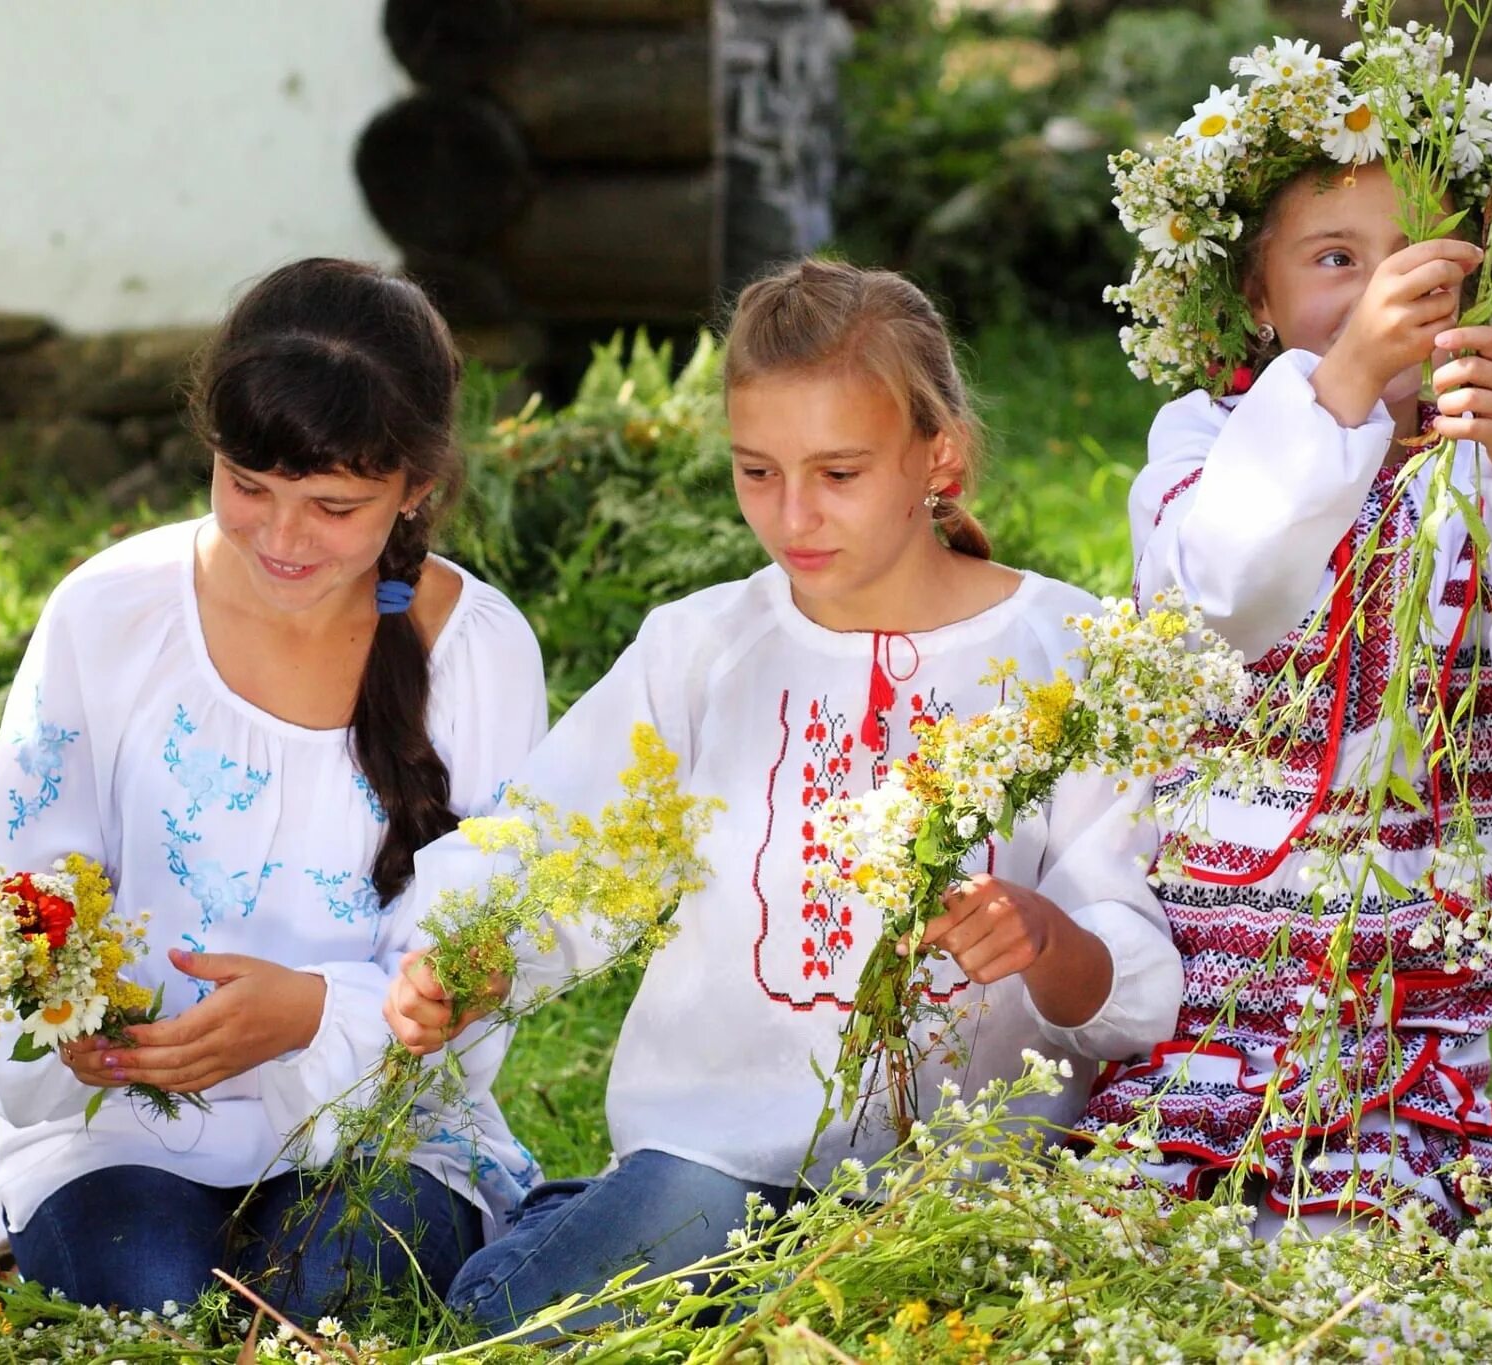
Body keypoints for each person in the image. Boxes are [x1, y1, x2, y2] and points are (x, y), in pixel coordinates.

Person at [386, 257, 1182, 1336]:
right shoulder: (702, 648)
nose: (791, 516)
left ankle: (759, 1296)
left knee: (906, 1309)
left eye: (837, 474)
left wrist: (1044, 936)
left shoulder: (1069, 654)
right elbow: (555, 845)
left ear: (935, 455)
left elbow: (1129, 968)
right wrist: (465, 956)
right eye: (755, 471)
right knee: (511, 1316)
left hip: (966, 1174)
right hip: (715, 1152)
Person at [1077, 143, 1492, 1233]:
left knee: (1344, 1250)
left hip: (1400, 989)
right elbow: (1221, 598)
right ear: (1257, 291)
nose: (1380, 293)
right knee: (1141, 1230)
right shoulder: (1201, 450)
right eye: (1335, 258)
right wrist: (1338, 383)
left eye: (1413, 260)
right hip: (1212, 966)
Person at [0, 258, 548, 1315]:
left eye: (332, 506)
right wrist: (62, 1023)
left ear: (415, 489)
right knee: (152, 1296)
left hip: (384, 1118)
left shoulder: (477, 653)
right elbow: (30, 892)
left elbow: (478, 950)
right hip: (125, 1120)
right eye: (249, 487)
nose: (281, 538)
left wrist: (316, 1014)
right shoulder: (108, 616)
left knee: (328, 1293)